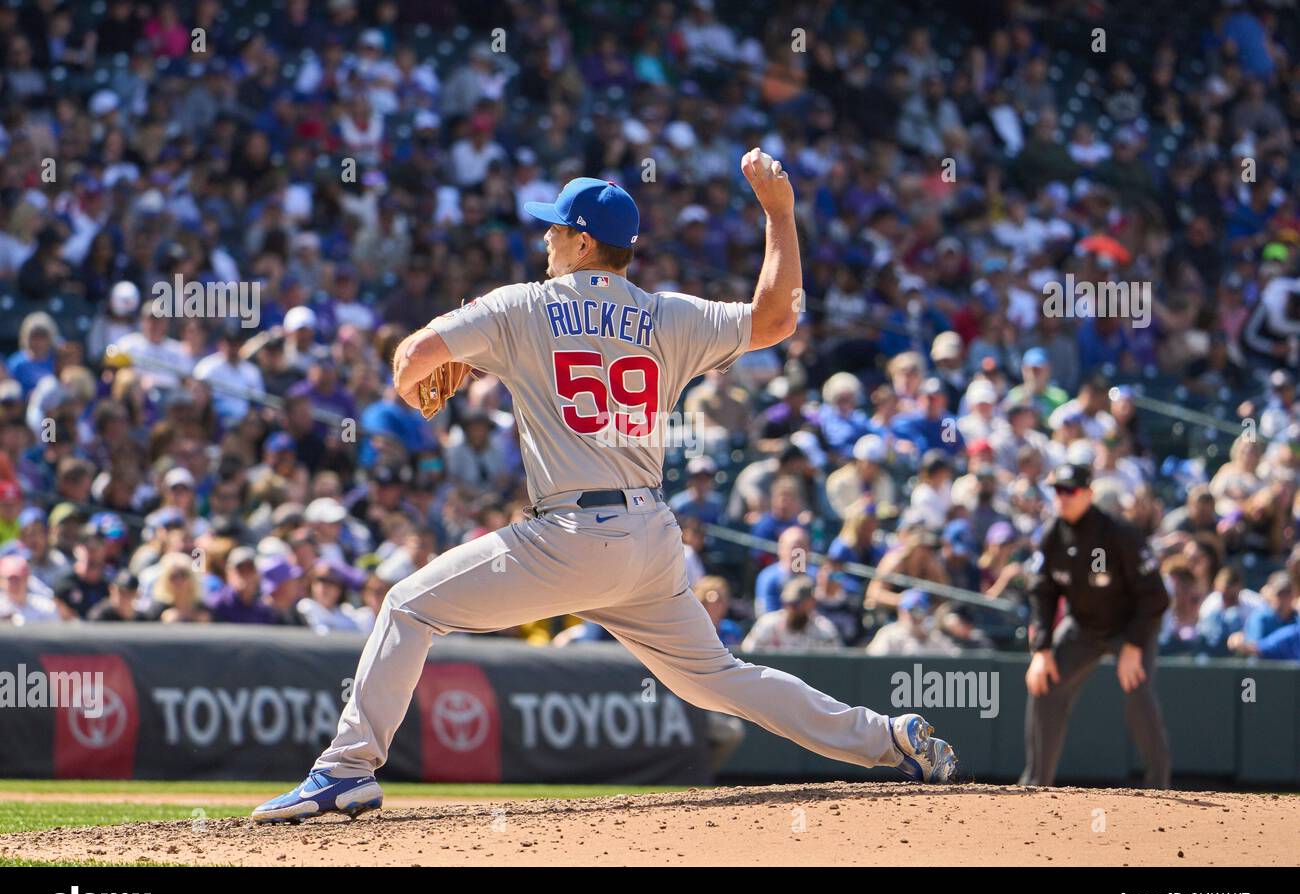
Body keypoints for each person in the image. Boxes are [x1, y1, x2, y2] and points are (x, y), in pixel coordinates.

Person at [253, 157, 955, 823]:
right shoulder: (667, 314)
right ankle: (885, 738)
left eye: (556, 230)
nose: (547, 241)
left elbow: (411, 361)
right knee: (721, 677)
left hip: (570, 535)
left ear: (584, 243)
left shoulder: (524, 305)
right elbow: (777, 318)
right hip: (649, 539)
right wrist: (779, 211)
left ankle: (348, 767)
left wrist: (429, 376)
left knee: (407, 606)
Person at [1021, 463, 1172, 789]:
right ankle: (1035, 784)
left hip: (1128, 625)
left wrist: (1133, 646)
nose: (1062, 497)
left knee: (1137, 693)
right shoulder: (1052, 536)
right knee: (1044, 686)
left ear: (1088, 493)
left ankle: (1158, 787)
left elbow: (1156, 597)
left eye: (1070, 490)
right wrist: (1041, 649)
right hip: (1083, 626)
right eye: (1057, 490)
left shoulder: (1120, 533)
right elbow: (1042, 593)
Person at [741, 575, 841, 652]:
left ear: (811, 603)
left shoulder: (823, 630)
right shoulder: (768, 623)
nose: (790, 608)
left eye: (795, 604)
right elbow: (747, 654)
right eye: (787, 603)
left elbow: (835, 665)